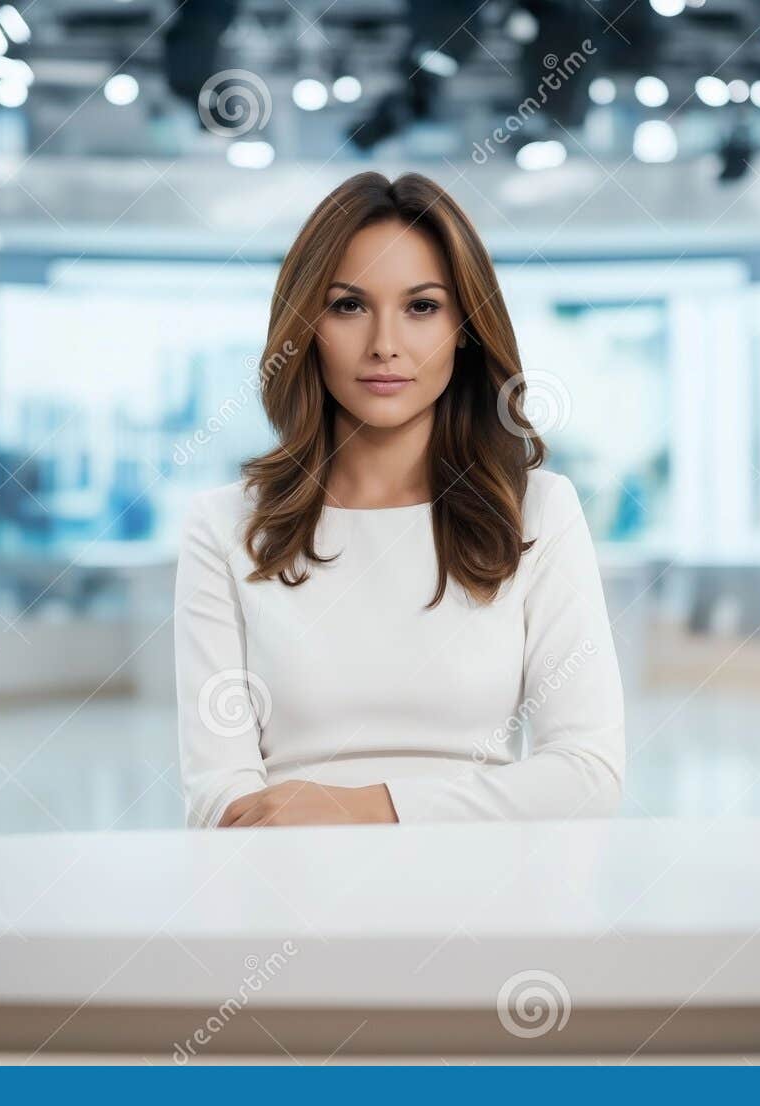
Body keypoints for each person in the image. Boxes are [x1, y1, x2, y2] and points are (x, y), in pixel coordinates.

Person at [174, 171, 626, 828]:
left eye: (422, 307)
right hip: (286, 895)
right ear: (307, 325)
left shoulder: (537, 511)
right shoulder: (224, 526)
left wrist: (366, 807)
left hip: (481, 900)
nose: (385, 343)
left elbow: (588, 773)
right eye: (349, 306)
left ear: (466, 327)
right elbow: (219, 797)